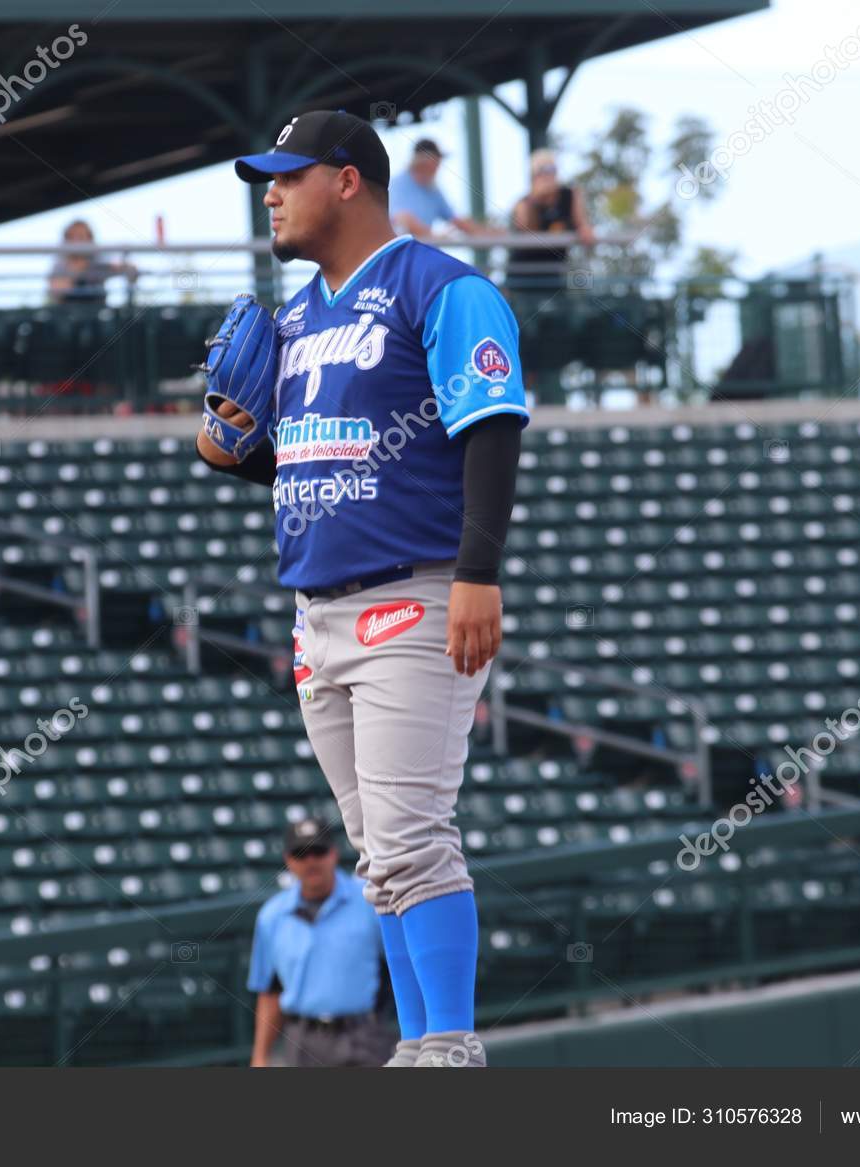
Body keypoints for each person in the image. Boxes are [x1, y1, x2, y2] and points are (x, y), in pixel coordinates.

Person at [200, 109, 528, 1067]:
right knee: (379, 852)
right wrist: (232, 450)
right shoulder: (297, 315)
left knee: (413, 838)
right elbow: (310, 459)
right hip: (319, 610)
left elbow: (491, 424)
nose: (270, 194)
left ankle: (451, 1045)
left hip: (413, 593)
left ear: (347, 180)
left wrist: (478, 572)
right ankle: (419, 1044)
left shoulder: (441, 286)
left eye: (287, 176)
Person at [247, 818, 395, 1067]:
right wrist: (260, 1056)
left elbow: (399, 967)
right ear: (288, 860)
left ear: (333, 853)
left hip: (364, 1033)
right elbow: (270, 992)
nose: (311, 861)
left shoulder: (369, 901)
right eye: (301, 854)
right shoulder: (272, 916)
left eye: (318, 851)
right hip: (301, 1038)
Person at [506, 148, 595, 293]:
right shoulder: (524, 204)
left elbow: (583, 226)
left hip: (555, 274)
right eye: (543, 170)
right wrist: (536, 201)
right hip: (523, 276)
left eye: (552, 169)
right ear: (533, 176)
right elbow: (527, 232)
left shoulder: (569, 196)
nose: (548, 175)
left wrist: (584, 229)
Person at [387, 139, 491, 241]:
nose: (437, 167)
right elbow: (403, 219)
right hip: (403, 248)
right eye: (434, 161)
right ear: (421, 162)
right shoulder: (398, 184)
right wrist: (435, 236)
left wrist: (488, 233)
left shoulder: (432, 189)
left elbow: (456, 220)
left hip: (422, 247)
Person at [47, 218, 137, 305]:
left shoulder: (98, 262)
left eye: (81, 237)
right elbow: (56, 293)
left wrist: (122, 266)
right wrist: (77, 270)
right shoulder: (60, 265)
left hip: (98, 312)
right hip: (66, 312)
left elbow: (131, 270)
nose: (76, 241)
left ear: (90, 239)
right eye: (72, 237)